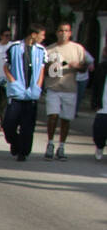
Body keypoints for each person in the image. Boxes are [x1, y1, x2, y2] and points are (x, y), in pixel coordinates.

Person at [2, 23, 48, 162]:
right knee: (9, 124)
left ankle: (23, 151)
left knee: (27, 127)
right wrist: (13, 82)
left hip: (31, 93)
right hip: (16, 93)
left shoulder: (41, 50)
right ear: (33, 35)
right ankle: (14, 142)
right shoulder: (14, 47)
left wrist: (38, 86)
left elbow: (41, 70)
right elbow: (6, 66)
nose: (43, 38)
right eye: (42, 35)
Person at [42, 21, 87, 160]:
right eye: (61, 30)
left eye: (66, 31)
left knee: (66, 119)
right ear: (57, 33)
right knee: (53, 116)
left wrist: (77, 66)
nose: (63, 33)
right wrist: (54, 67)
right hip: (53, 87)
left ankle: (61, 146)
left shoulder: (77, 49)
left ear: (70, 33)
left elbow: (85, 67)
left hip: (70, 88)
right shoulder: (49, 49)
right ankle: (50, 143)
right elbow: (45, 70)